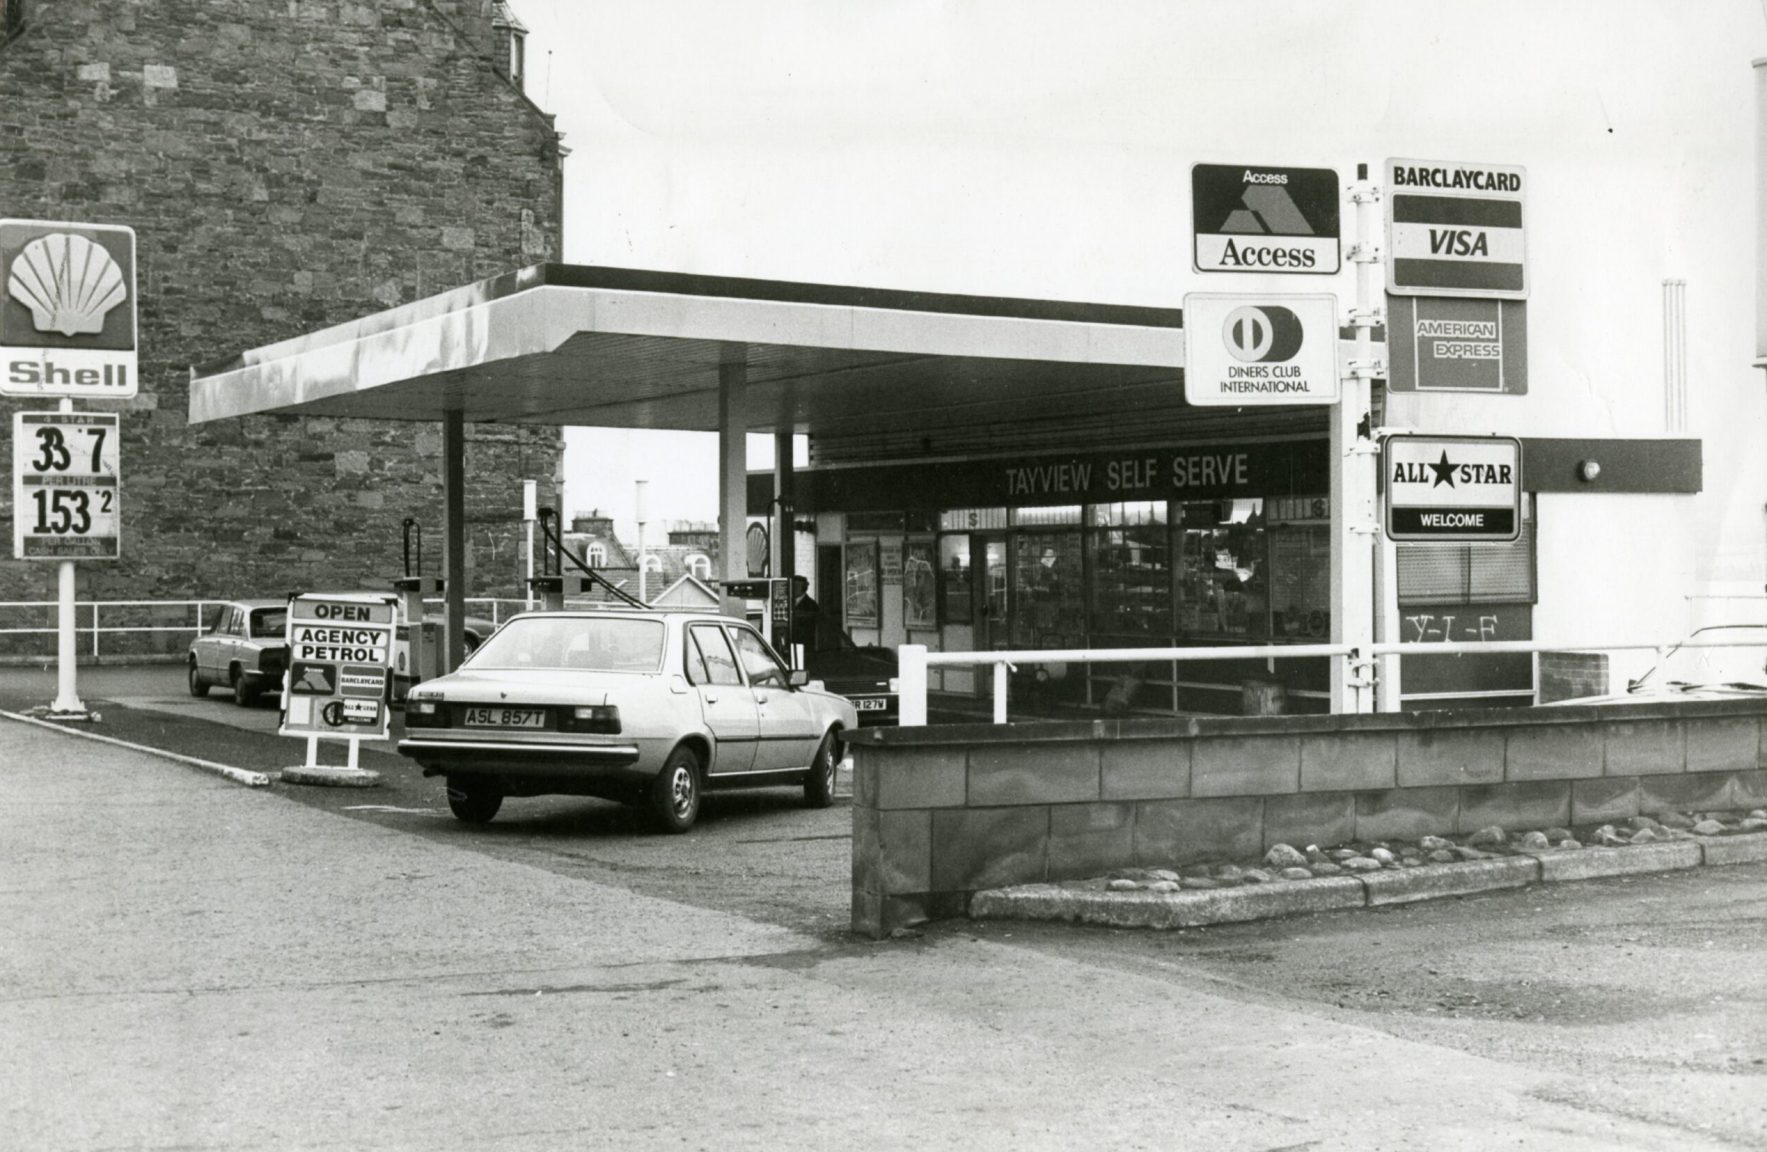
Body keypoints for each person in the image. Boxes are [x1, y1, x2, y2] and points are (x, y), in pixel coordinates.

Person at [790, 575, 821, 650]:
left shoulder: (812, 605)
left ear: (804, 588)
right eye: (792, 586)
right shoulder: (786, 602)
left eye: (796, 586)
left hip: (805, 647)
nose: (793, 588)